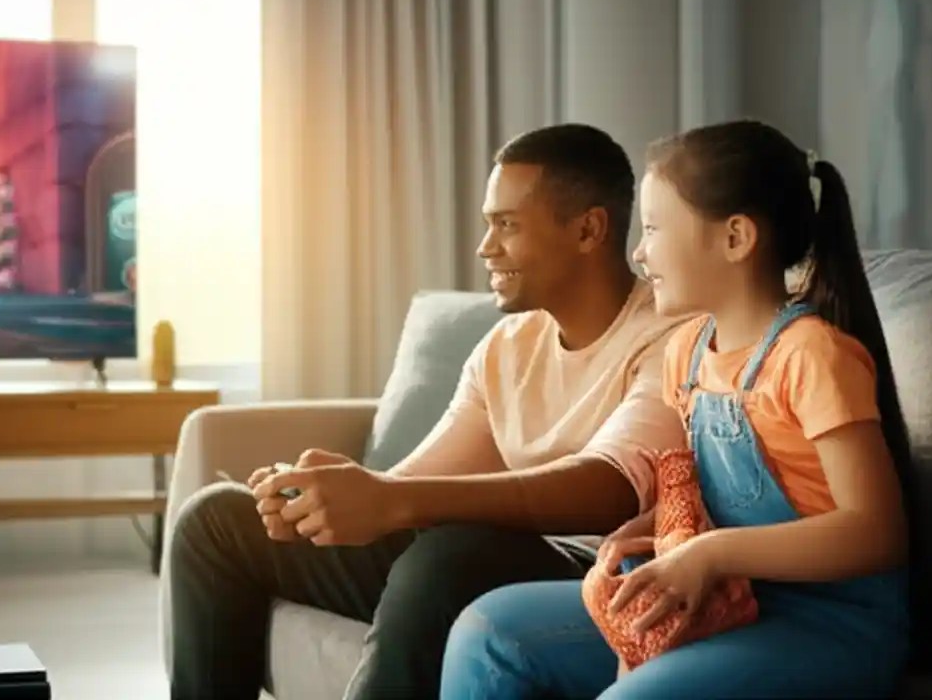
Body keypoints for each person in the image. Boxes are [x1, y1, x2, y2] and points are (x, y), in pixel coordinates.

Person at [165, 123, 694, 700]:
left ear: (588, 229)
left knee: (451, 551)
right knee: (216, 522)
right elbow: (414, 482)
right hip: (472, 563)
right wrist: (332, 493)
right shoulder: (507, 347)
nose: (485, 247)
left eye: (506, 225)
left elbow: (612, 486)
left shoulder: (670, 336)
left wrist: (393, 500)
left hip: (595, 575)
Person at [438, 118, 918, 699]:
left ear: (735, 238)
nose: (638, 253)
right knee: (489, 633)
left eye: (654, 229)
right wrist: (647, 537)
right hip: (728, 599)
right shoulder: (687, 352)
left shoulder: (813, 356)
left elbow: (877, 533)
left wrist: (712, 553)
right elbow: (695, 497)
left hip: (831, 624)